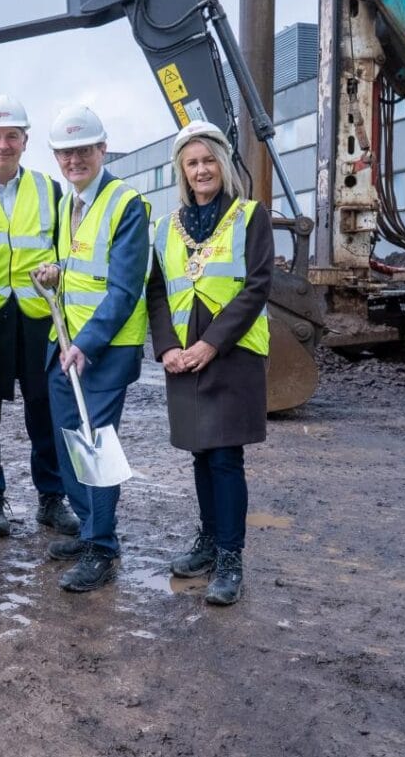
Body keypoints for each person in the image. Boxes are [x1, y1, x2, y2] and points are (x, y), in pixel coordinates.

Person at [145, 120, 274, 606]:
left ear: (223, 162)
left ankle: (229, 556)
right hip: (183, 356)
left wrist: (211, 344)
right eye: (192, 163)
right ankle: (208, 539)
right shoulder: (165, 226)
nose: (202, 170)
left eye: (209, 160)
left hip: (232, 352)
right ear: (182, 171)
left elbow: (257, 285)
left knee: (225, 457)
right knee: (201, 453)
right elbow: (156, 292)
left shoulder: (248, 216)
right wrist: (166, 348)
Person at [33, 106, 151, 592]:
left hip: (101, 350)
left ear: (103, 150)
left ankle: (101, 547)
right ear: (57, 158)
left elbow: (124, 289)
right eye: (66, 152)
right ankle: (88, 530)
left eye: (84, 150)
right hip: (65, 346)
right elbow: (83, 263)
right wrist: (56, 271)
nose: (75, 159)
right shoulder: (68, 203)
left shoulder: (126, 203)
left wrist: (86, 343)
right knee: (70, 445)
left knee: (96, 448)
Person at [0, 95, 79, 539]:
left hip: (37, 315)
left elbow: (68, 248)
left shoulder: (49, 189)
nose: (3, 145)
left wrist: (59, 270)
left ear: (25, 141)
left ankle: (51, 497)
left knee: (44, 410)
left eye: (12, 136)